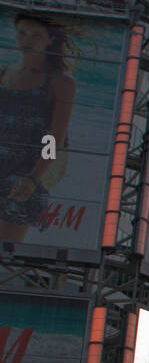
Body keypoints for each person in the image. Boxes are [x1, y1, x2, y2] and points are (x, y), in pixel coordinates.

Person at [0, 13, 79, 245]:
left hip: (23, 176)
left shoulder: (60, 83)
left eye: (35, 35)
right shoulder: (4, 73)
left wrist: (33, 178)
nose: (26, 40)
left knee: (7, 258)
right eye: (22, 33)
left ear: (50, 39)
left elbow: (54, 139)